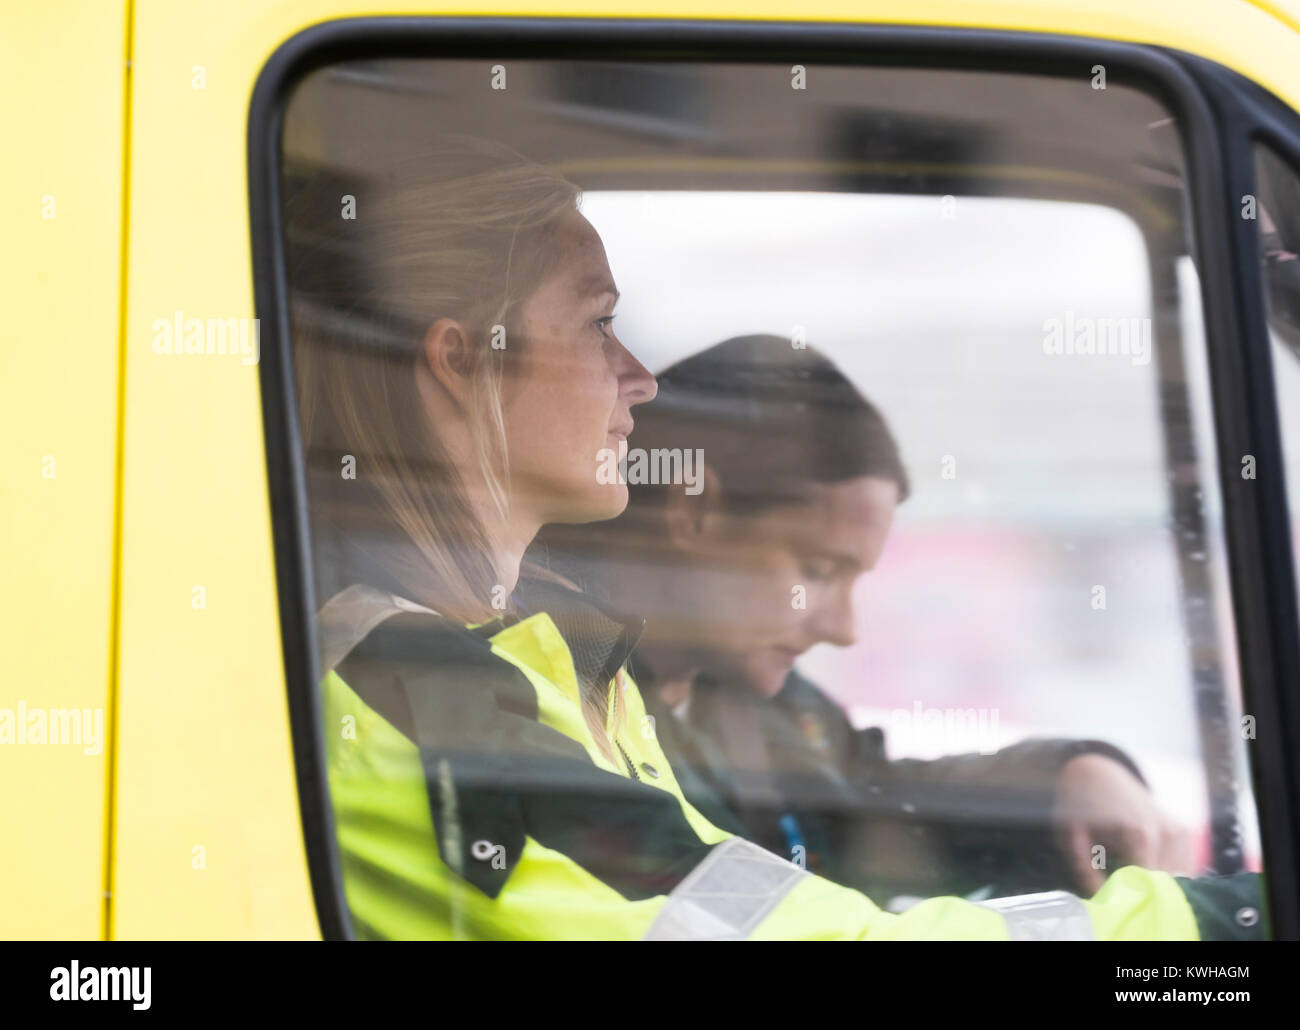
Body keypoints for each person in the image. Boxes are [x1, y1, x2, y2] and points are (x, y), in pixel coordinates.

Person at [285, 135, 1261, 940]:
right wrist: (1219, 927)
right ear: (462, 361)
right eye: (598, 324)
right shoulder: (410, 691)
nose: (639, 377)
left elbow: (834, 826)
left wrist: (1055, 779)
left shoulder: (563, 657)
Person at [535, 336, 1193, 904]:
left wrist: (1067, 777)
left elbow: (875, 798)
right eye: (819, 569)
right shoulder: (555, 706)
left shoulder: (757, 705)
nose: (843, 629)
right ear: (693, 510)